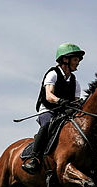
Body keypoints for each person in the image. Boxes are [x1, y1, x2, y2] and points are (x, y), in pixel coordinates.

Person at [21, 42, 85, 174]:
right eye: (75, 59)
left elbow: (76, 102)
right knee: (47, 125)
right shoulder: (53, 74)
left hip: (65, 113)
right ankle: (34, 158)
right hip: (48, 110)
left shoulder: (75, 82)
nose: (78, 62)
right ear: (65, 60)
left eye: (78, 60)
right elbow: (49, 96)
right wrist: (60, 101)